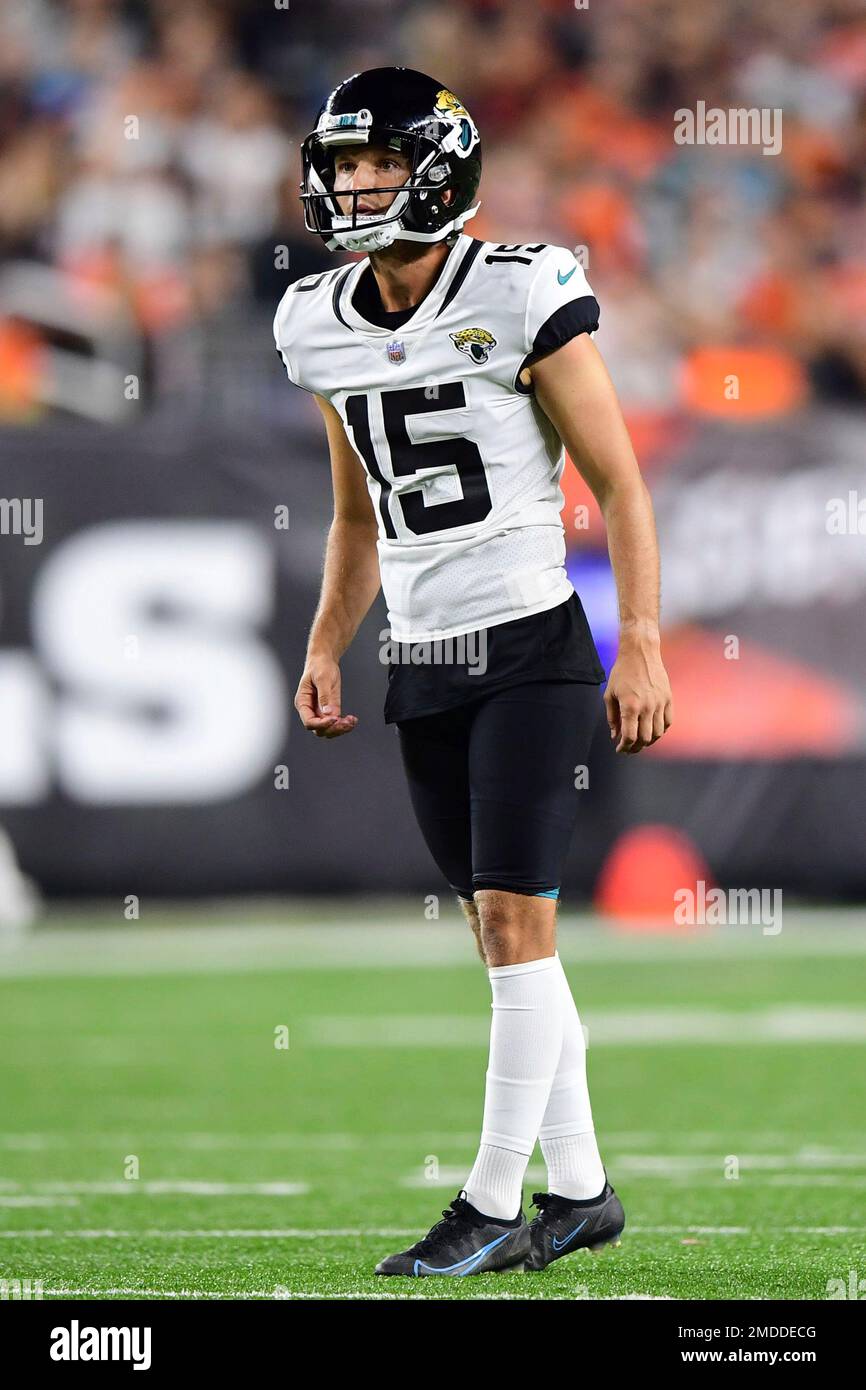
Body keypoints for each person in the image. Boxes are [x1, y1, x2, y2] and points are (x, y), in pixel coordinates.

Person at [274, 66, 673, 1277]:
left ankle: (492, 1199)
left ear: (438, 168)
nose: (353, 184)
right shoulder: (316, 319)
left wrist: (640, 637)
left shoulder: (517, 288)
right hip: (425, 652)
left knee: (515, 920)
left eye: (377, 162)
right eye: (341, 165)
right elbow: (354, 517)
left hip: (529, 644)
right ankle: (585, 1189)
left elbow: (617, 483)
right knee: (507, 946)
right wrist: (326, 638)